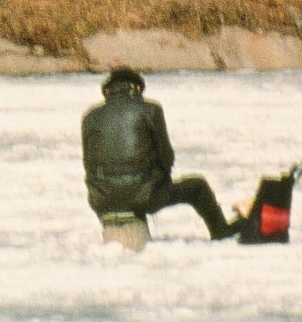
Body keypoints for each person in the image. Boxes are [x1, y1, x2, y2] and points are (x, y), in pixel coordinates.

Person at [81, 67, 238, 240]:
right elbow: (166, 157)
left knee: (129, 191)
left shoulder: (90, 117)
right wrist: (161, 182)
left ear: (107, 91)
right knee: (197, 187)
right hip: (144, 196)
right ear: (137, 88)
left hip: (103, 201)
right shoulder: (150, 110)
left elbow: (89, 164)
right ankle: (221, 232)